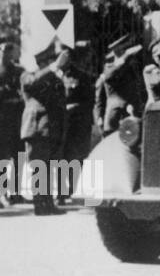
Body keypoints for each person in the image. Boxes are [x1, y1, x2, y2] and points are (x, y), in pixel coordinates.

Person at [21, 44, 68, 216]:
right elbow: (32, 83)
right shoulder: (28, 75)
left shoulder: (53, 78)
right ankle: (40, 205)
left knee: (47, 168)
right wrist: (54, 67)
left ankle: (47, 203)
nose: (54, 63)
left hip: (50, 128)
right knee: (39, 167)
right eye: (50, 60)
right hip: (36, 128)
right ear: (42, 62)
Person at [59, 42, 97, 203]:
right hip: (61, 123)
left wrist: (75, 107)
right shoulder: (57, 77)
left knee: (77, 157)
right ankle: (61, 192)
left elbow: (90, 101)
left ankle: (73, 189)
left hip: (78, 122)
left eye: (65, 58)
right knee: (61, 156)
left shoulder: (82, 77)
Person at [95, 35, 145, 135]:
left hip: (132, 113)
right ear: (117, 50)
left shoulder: (131, 68)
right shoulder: (109, 68)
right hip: (116, 115)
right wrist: (99, 116)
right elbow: (100, 97)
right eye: (125, 48)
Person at [1, 43, 25, 207]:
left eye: (9, 51)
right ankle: (2, 193)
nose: (6, 54)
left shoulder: (19, 71)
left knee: (18, 157)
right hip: (2, 122)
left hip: (17, 120)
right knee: (2, 159)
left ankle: (16, 192)